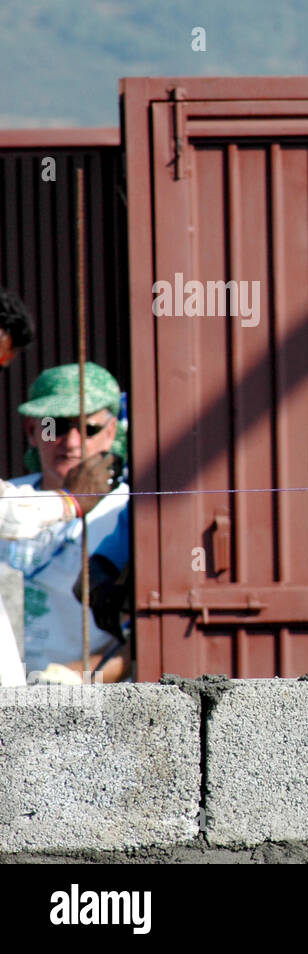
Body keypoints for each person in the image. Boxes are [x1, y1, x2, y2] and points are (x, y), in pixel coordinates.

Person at [0, 289, 120, 687]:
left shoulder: (127, 515)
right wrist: (71, 502)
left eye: (88, 428)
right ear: (32, 431)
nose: (70, 442)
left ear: (113, 432)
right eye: (55, 425)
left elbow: (141, 638)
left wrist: (75, 680)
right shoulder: (12, 497)